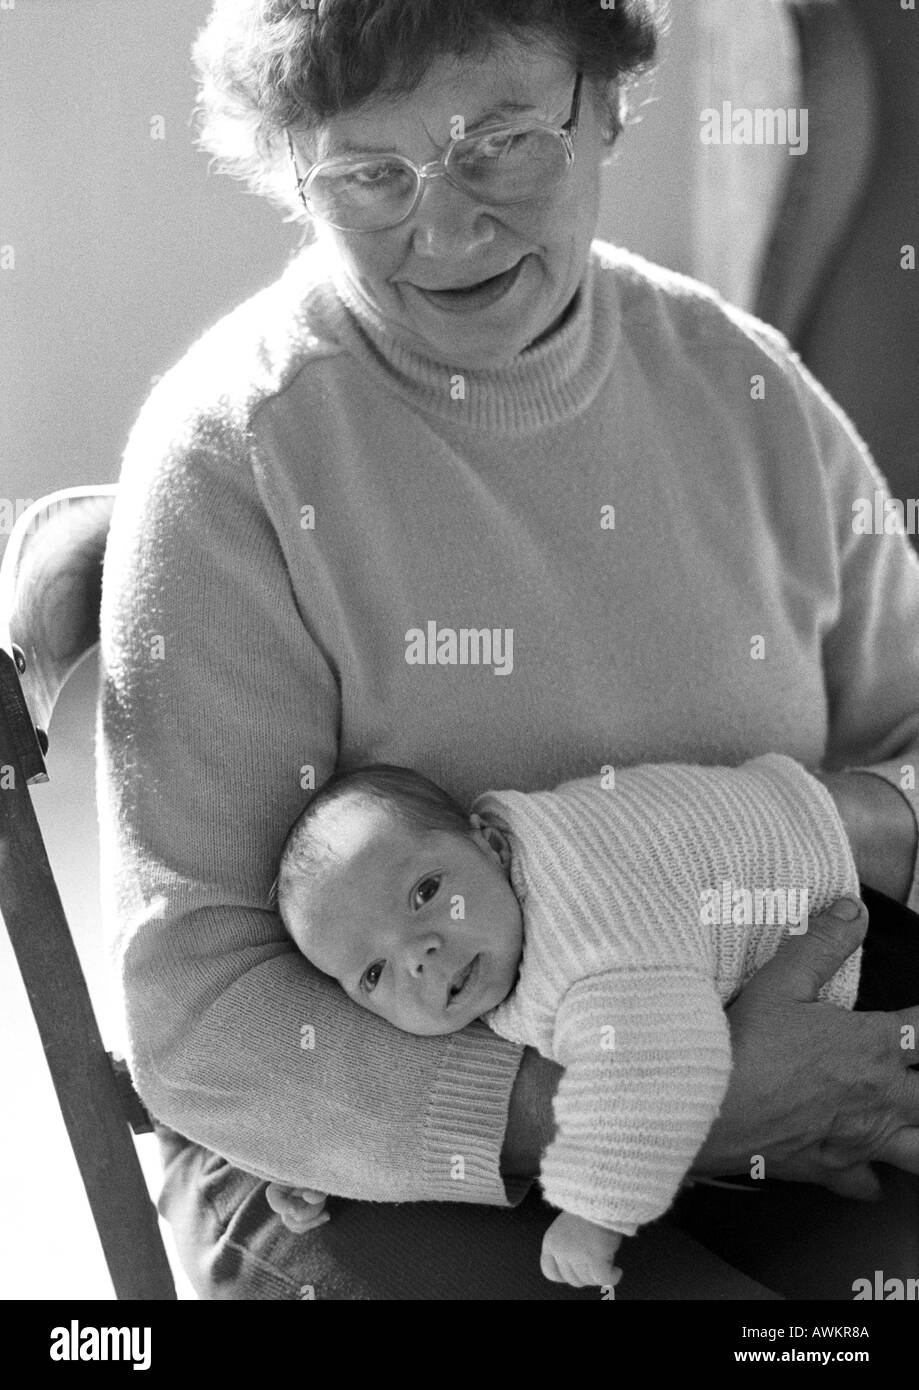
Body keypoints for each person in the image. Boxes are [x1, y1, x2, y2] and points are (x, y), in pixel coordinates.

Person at [97, 0, 919, 1300]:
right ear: (291, 174)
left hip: (782, 1100)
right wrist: (615, 1104)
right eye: (370, 176)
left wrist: (839, 839)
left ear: (605, 100)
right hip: (372, 1156)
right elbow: (199, 1018)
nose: (447, 225)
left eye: (501, 140)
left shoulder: (743, 387)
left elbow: (903, 742)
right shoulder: (238, 459)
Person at [267, 755, 870, 1290]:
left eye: (425, 893)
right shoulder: (498, 908)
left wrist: (592, 1214)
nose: (418, 955)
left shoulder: (579, 941)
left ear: (491, 845)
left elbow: (663, 1060)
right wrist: (330, 1160)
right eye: (374, 974)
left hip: (844, 911)